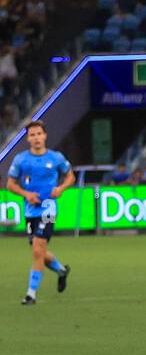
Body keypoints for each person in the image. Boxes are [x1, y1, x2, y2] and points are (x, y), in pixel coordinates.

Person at [5, 120, 73, 305]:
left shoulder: (56, 158)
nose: (36, 138)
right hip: (30, 210)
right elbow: (10, 184)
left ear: (45, 136)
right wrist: (26, 193)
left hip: (48, 208)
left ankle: (31, 294)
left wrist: (61, 188)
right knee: (39, 251)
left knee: (37, 250)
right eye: (32, 135)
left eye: (39, 134)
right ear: (28, 139)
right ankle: (61, 270)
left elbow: (70, 176)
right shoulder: (21, 159)